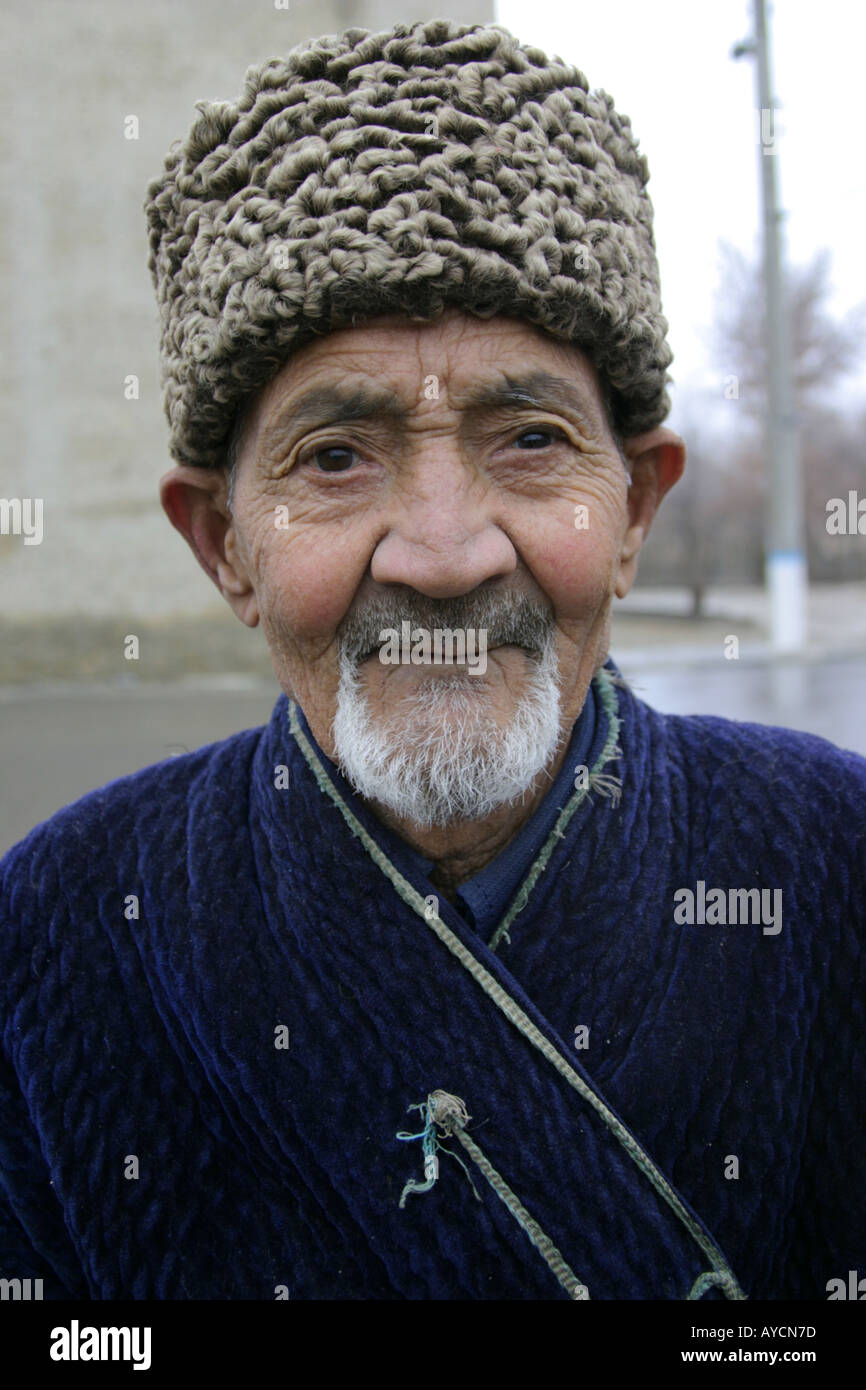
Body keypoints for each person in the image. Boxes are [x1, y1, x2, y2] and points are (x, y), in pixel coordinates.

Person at [0, 18, 863, 1302]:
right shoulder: (51, 935)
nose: (446, 554)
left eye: (526, 438)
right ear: (224, 547)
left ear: (632, 514)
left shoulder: (838, 868)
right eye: (336, 456)